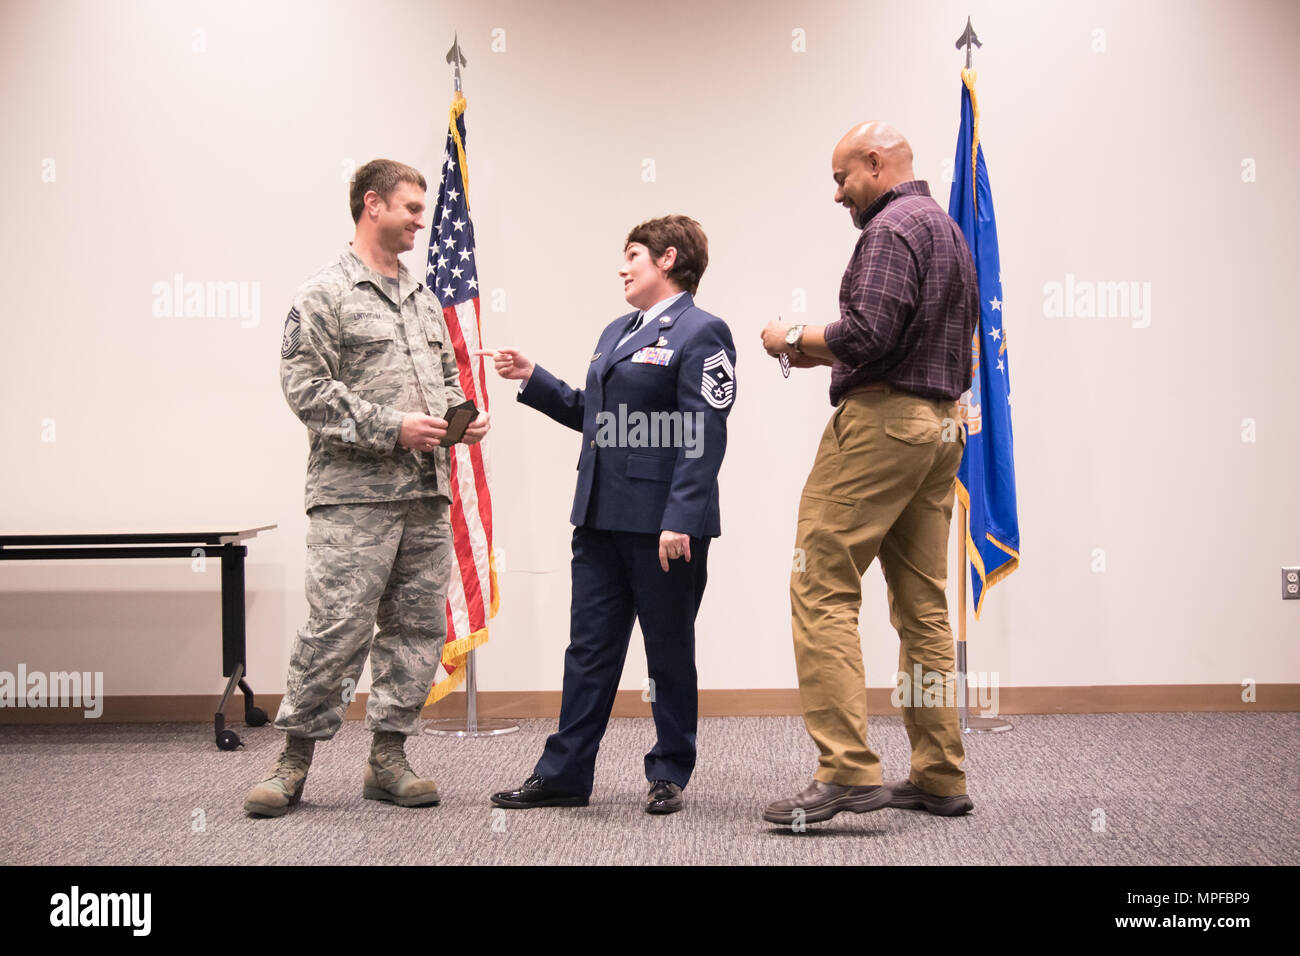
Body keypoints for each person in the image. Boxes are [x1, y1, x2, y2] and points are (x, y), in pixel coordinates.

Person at [243, 158, 489, 817]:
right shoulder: (323, 294)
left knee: (413, 631)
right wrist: (391, 428)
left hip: (424, 497)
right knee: (335, 630)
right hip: (353, 500)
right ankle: (291, 763)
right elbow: (306, 390)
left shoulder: (425, 300)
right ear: (372, 204)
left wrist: (463, 416)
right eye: (411, 207)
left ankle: (388, 759)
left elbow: (445, 381)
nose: (420, 219)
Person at [759, 122, 980, 825]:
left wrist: (789, 339)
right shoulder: (947, 229)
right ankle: (940, 775)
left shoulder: (889, 230)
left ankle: (849, 771)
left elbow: (867, 334)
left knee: (819, 583)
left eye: (842, 177)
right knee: (923, 607)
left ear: (876, 164)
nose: (836, 194)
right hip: (943, 429)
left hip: (884, 426)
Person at [480, 215, 735, 815]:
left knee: (668, 650)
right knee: (589, 650)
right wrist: (534, 378)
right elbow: (596, 417)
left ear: (668, 259)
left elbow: (704, 432)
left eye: (633, 255)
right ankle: (565, 773)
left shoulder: (702, 332)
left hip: (662, 525)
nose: (622, 267)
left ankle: (670, 770)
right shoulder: (617, 330)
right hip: (598, 518)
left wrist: (682, 517)